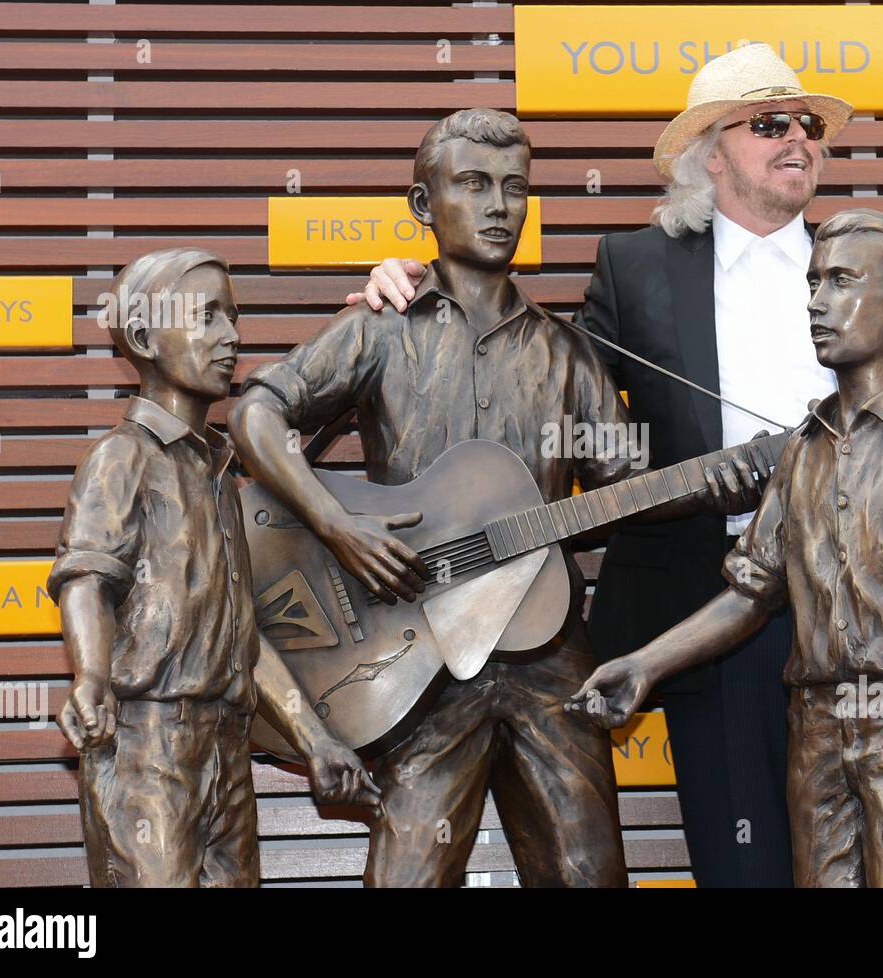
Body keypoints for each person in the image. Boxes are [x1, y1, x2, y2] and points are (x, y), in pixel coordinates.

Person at [350, 43, 883, 887]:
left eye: (808, 124)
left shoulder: (874, 263)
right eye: (770, 123)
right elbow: (534, 387)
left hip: (872, 617)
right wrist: (416, 288)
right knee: (750, 873)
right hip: (713, 618)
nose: (799, 138)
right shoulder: (637, 268)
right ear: (711, 149)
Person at [229, 109, 758, 887]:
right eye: (472, 184)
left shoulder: (568, 349)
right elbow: (254, 413)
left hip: (550, 651)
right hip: (416, 653)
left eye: (515, 188)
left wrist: (716, 479)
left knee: (588, 871)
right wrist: (338, 527)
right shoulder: (381, 327)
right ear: (422, 205)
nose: (499, 205)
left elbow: (622, 488)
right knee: (406, 877)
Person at [572, 210, 883, 887]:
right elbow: (749, 594)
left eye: (841, 283)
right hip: (817, 727)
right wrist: (644, 665)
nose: (816, 302)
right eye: (813, 283)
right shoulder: (802, 449)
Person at [51, 247, 380, 887]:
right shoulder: (121, 459)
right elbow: (86, 579)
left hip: (227, 750)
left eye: (232, 316)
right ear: (144, 337)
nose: (231, 336)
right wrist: (90, 674)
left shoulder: (223, 473)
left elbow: (244, 640)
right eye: (206, 318)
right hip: (148, 746)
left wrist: (315, 741)